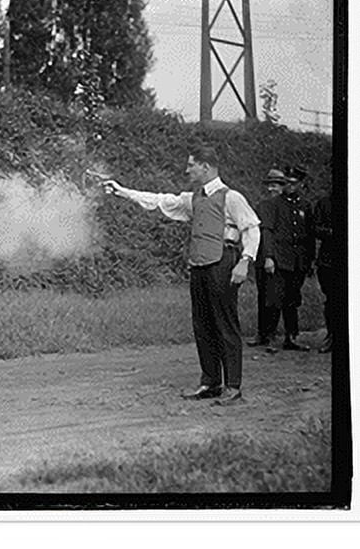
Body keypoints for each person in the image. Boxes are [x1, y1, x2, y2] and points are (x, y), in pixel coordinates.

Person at [102, 146, 260, 404]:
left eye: (191, 165)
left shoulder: (231, 197)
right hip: (199, 264)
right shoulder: (193, 198)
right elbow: (160, 200)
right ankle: (210, 382)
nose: (187, 170)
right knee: (202, 324)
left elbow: (252, 230)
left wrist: (245, 261)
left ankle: (233, 387)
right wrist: (121, 191)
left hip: (223, 263)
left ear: (205, 167)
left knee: (225, 325)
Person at [258, 164, 316, 352]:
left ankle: (291, 337)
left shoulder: (305, 206)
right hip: (279, 258)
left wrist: (310, 260)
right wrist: (269, 257)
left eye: (293, 183)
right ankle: (270, 337)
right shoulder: (274, 204)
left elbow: (309, 235)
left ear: (300, 184)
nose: (289, 186)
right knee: (275, 298)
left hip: (297, 259)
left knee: (293, 299)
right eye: (286, 183)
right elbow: (268, 232)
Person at [247, 168, 289, 348]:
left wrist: (272, 257)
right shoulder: (262, 205)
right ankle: (261, 333)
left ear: (283, 187)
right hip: (262, 255)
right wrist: (264, 256)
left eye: (277, 185)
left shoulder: (286, 207)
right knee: (262, 296)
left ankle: (271, 334)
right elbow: (261, 232)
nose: (273, 189)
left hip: (278, 258)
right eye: (271, 185)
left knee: (274, 297)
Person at [313, 183, 334, 353]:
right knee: (331, 300)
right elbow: (316, 228)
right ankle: (331, 336)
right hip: (329, 259)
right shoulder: (324, 203)